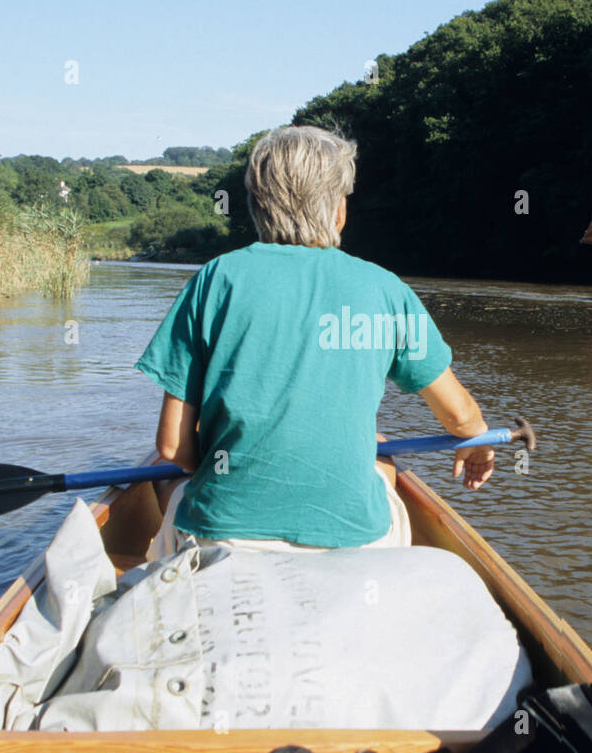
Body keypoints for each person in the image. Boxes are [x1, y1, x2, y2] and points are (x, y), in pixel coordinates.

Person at [135, 126, 494, 558]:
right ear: (339, 211)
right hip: (355, 541)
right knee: (380, 457)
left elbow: (173, 446)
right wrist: (478, 442)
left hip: (224, 536)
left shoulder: (215, 278)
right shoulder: (385, 289)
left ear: (256, 207)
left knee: (160, 472)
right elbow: (459, 415)